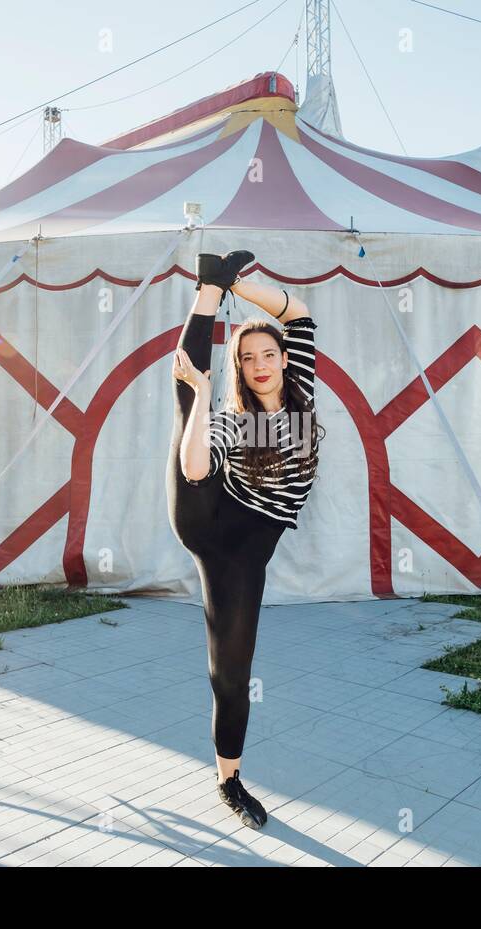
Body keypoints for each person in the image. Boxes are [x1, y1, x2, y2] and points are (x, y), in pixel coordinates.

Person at [166, 249, 323, 829]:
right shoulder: (233, 418)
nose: (259, 364)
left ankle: (227, 778)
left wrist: (241, 285)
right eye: (247, 358)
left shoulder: (300, 387)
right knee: (188, 406)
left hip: (250, 549)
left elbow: (299, 312)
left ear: (285, 360)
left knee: (232, 672)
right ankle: (204, 294)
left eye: (268, 354)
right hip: (208, 518)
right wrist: (205, 397)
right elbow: (194, 469)